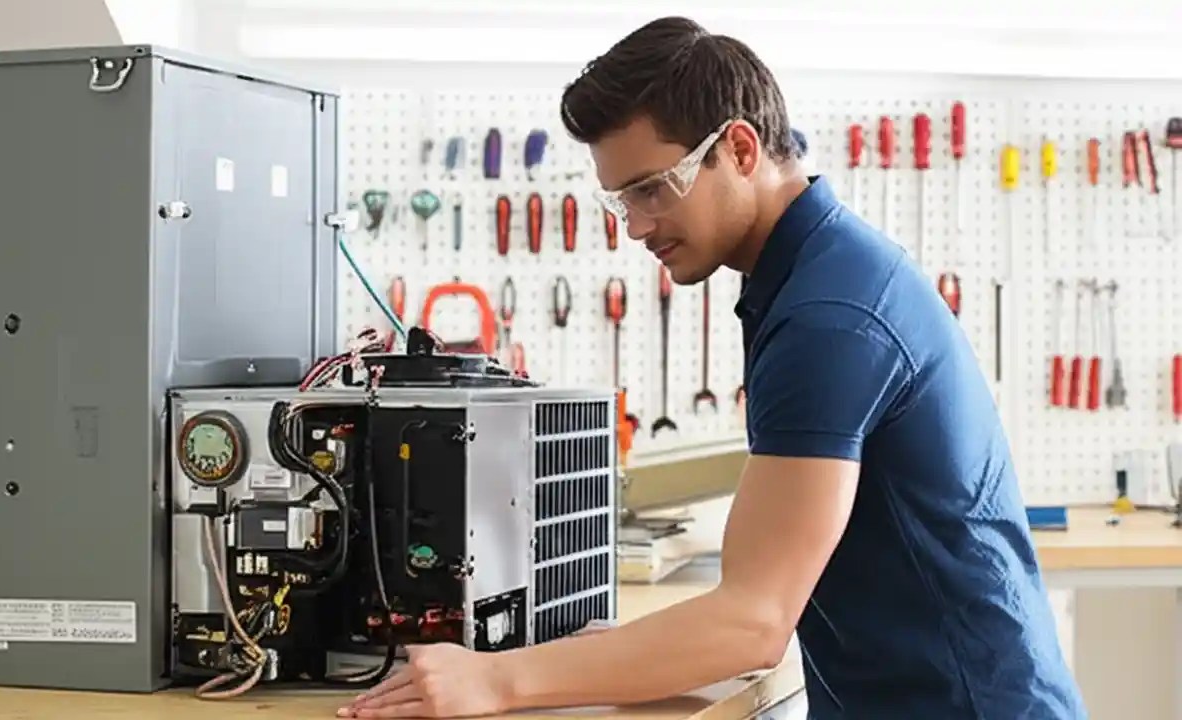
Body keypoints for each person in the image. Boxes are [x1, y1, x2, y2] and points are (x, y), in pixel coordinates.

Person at [337, 16, 1086, 720]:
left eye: (651, 188)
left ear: (740, 149)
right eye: (619, 199)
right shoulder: (814, 277)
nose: (635, 225)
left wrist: (494, 681)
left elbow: (751, 622)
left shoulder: (830, 317)